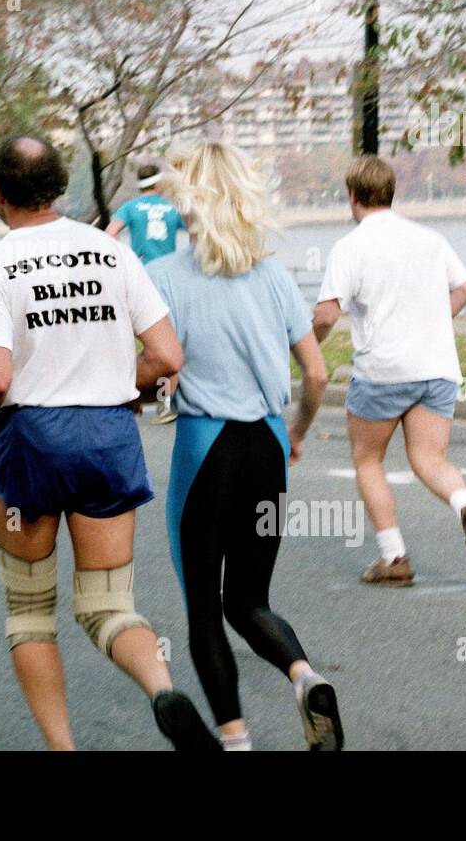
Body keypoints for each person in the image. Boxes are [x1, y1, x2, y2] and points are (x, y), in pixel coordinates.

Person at [0, 135, 217, 752]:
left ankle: (64, 750)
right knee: (109, 606)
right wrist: (121, 380)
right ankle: (163, 691)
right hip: (110, 436)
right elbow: (168, 356)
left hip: (32, 441)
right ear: (61, 188)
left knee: (32, 613)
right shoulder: (111, 253)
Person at [145, 143, 341, 752]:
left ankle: (235, 744)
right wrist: (298, 434)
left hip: (207, 450)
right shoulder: (276, 276)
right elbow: (316, 375)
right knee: (251, 600)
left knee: (204, 608)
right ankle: (305, 676)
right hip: (267, 446)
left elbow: (158, 368)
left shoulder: (163, 278)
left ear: (187, 203)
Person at [313, 156, 466, 586]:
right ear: (391, 193)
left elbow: (325, 316)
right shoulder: (430, 239)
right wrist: (434, 321)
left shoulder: (350, 247)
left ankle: (394, 558)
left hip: (382, 372)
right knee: (430, 459)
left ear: (352, 196)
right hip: (437, 368)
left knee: (368, 460)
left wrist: (307, 350)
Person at [107, 162, 185, 425]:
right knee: (168, 342)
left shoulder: (129, 208)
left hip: (138, 277)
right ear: (160, 184)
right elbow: (197, 231)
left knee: (128, 338)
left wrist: (127, 258)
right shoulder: (172, 208)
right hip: (169, 279)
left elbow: (110, 234)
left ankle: (126, 392)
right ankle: (165, 405)